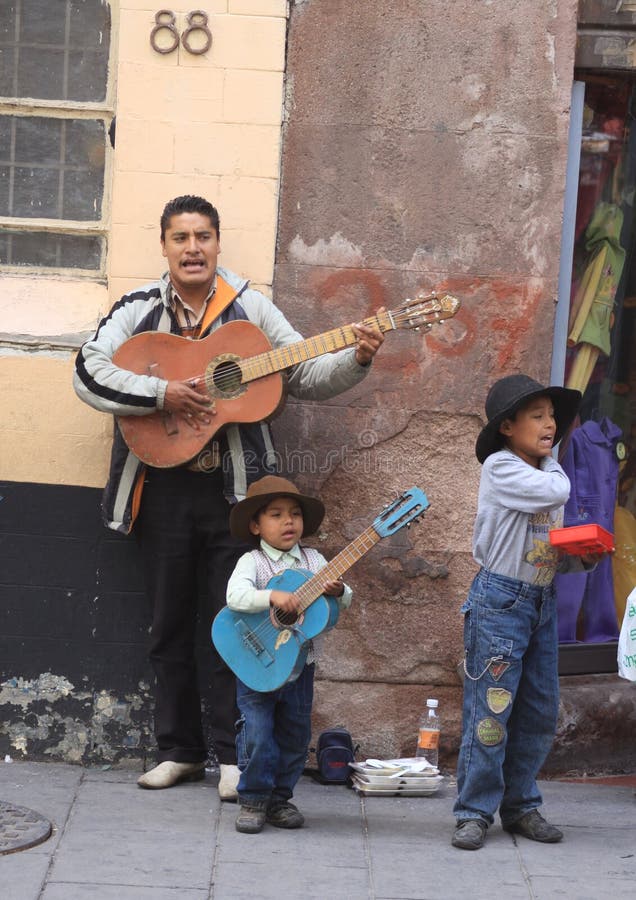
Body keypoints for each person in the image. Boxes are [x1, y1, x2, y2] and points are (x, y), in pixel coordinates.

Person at [73, 195, 383, 798]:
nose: (193, 247)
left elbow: (307, 376)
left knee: (235, 618)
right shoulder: (136, 310)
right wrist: (161, 395)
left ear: (218, 245)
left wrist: (358, 357)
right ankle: (178, 751)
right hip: (159, 488)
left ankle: (233, 755)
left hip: (234, 498)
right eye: (181, 237)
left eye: (204, 237)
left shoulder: (251, 310)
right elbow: (89, 371)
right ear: (164, 246)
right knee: (166, 623)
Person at [452, 374, 609, 851]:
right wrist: (555, 463)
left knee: (539, 711)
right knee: (491, 709)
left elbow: (543, 541)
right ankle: (474, 811)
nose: (550, 424)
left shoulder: (541, 470)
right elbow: (555, 494)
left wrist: (578, 554)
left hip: (538, 600)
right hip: (500, 602)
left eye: (553, 416)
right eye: (537, 416)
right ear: (507, 427)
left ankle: (521, 805)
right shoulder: (503, 467)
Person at [225, 475, 352, 833]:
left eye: (295, 514)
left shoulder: (314, 561)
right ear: (255, 525)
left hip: (300, 666)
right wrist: (271, 597)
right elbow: (235, 597)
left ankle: (280, 799)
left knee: (295, 735)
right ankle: (252, 799)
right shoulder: (252, 562)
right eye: (276, 515)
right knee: (258, 732)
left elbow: (346, 600)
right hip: (256, 663)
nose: (288, 522)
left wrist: (339, 590)